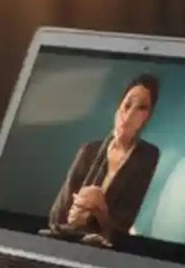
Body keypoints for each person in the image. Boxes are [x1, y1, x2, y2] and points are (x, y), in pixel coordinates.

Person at [43, 75, 162, 248]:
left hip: (104, 249)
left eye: (141, 108)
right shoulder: (89, 150)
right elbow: (56, 216)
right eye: (127, 105)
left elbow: (122, 227)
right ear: (118, 107)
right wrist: (75, 216)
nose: (129, 116)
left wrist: (100, 212)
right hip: (64, 243)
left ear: (148, 117)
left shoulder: (148, 156)